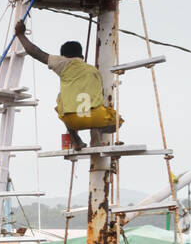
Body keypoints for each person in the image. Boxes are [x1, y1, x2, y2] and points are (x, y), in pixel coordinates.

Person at [14, 19, 119, 151]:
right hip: (98, 119)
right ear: (81, 56)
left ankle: (76, 141)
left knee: (61, 99)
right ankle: (96, 139)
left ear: (63, 56)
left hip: (73, 120)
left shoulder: (63, 63)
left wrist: (20, 34)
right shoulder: (94, 71)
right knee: (105, 111)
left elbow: (34, 52)